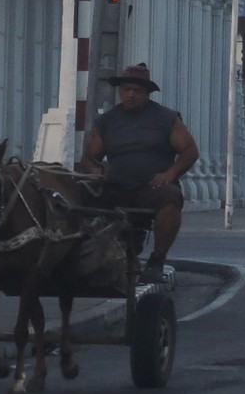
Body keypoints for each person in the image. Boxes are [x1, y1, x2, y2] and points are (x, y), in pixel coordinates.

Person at [81, 63, 200, 284]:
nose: (131, 94)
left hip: (151, 188)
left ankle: (157, 260)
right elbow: (88, 158)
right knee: (78, 198)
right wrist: (96, 171)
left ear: (147, 93)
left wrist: (170, 174)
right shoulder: (107, 121)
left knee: (172, 198)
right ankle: (85, 258)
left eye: (136, 90)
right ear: (120, 91)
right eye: (126, 89)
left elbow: (190, 151)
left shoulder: (166, 118)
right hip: (116, 188)